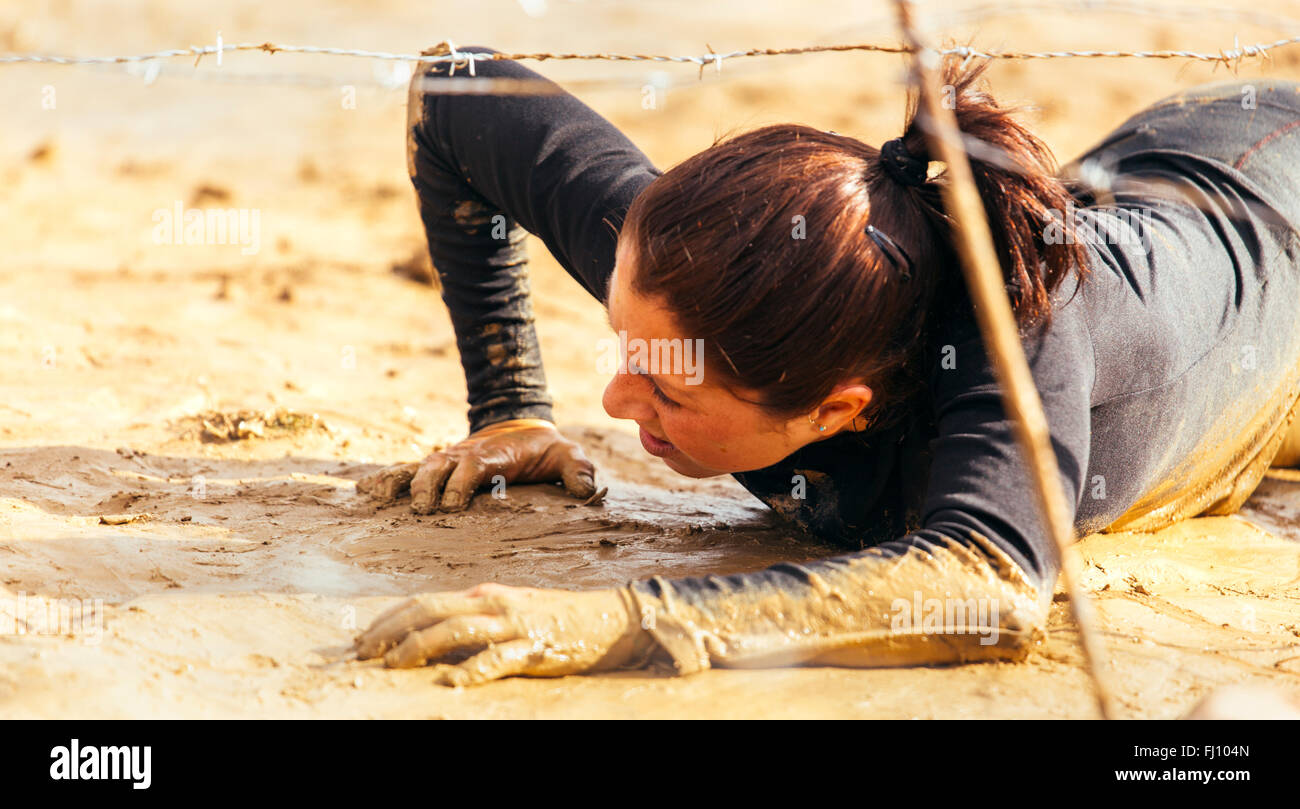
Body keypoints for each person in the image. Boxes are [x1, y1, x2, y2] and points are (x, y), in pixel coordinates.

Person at [352, 46, 1300, 687]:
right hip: (1138, 170)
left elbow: (986, 584)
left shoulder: (1020, 337)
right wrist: (511, 404)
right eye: (623, 342)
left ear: (839, 409)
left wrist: (624, 621)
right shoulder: (692, 278)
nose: (612, 396)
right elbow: (456, 85)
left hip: (1271, 205)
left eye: (668, 388)